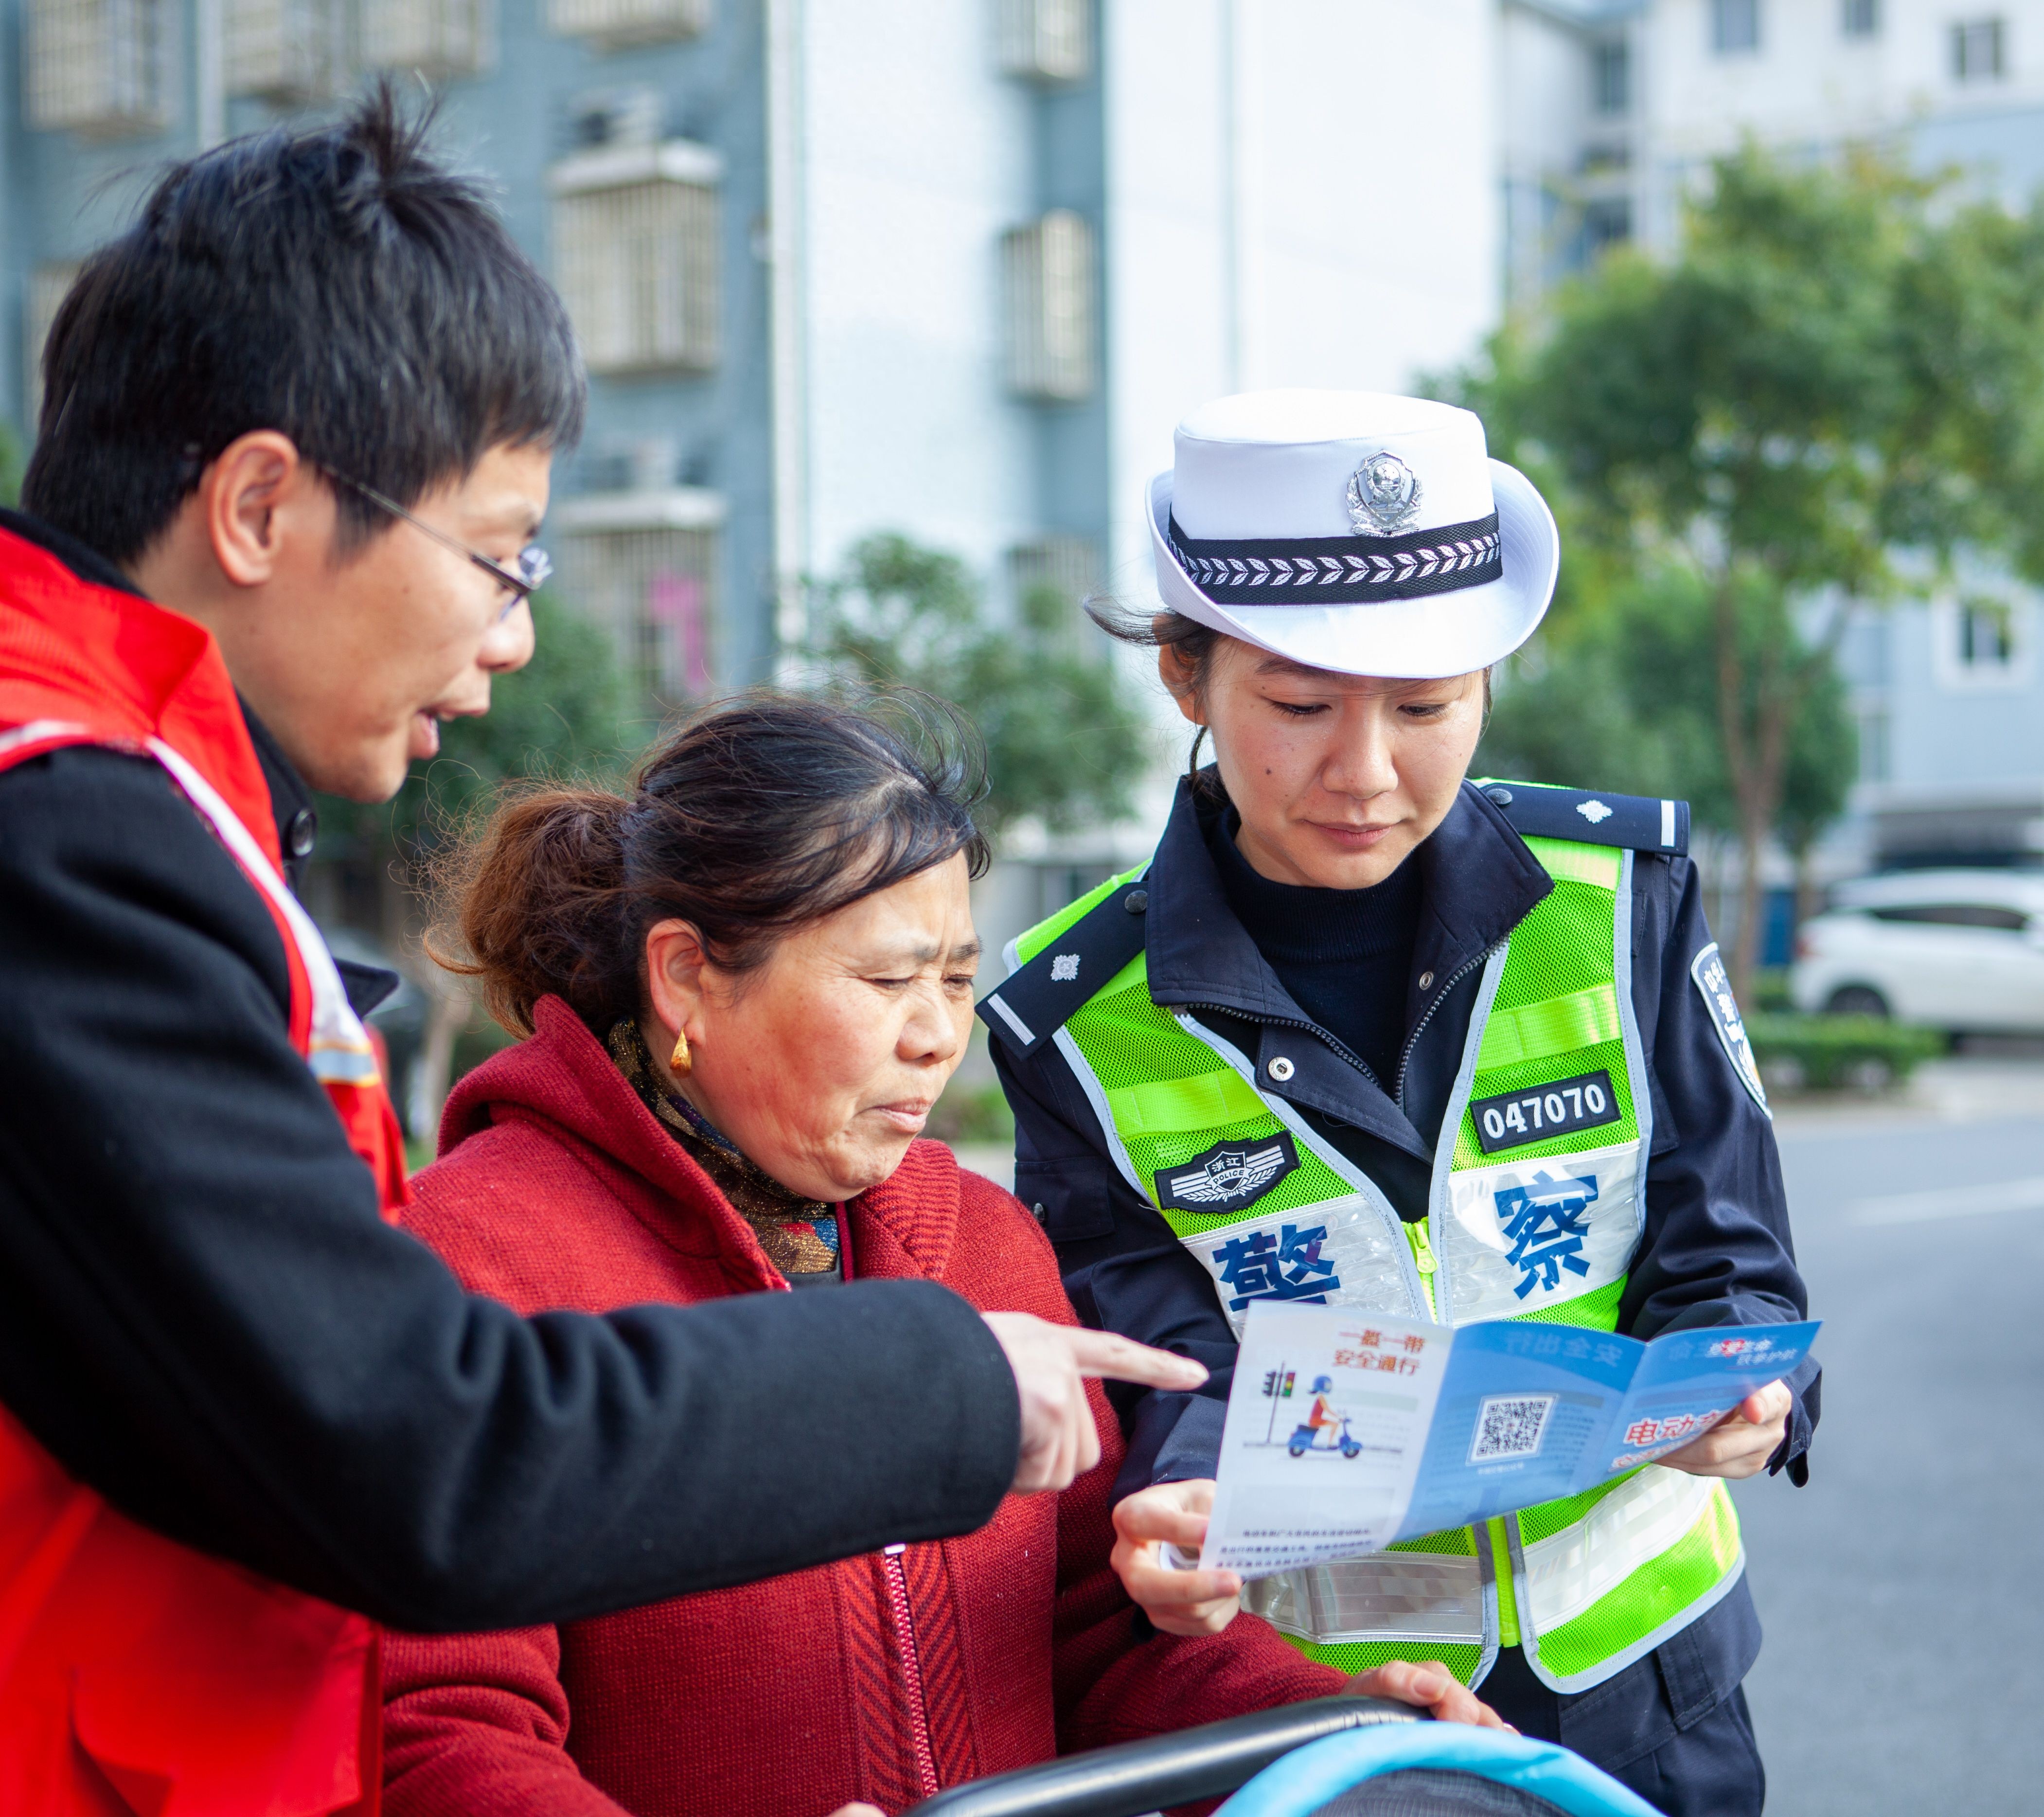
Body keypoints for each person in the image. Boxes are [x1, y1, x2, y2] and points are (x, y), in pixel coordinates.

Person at [0, 92, 1195, 1815]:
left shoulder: (134, 812)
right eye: (491, 556)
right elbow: (418, 1450)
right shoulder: (68, 836)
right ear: (260, 504)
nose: (514, 633)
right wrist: (930, 1377)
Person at [373, 694, 1509, 1816]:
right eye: (884, 980)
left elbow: (1095, 1649)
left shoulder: (985, 1243)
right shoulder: (471, 1262)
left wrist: (1334, 1729)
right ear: (685, 976)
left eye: (956, 979)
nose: (936, 1034)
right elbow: (437, 1734)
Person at [981, 391, 1819, 1817]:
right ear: (1187, 680)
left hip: (1656, 1691)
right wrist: (1173, 1513)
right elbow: (1165, 1358)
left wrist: (1752, 1389)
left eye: (1426, 708)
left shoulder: (1624, 899)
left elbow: (1726, 1245)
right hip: (1339, 1722)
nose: (1365, 775)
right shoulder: (1072, 1020)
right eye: (1299, 707)